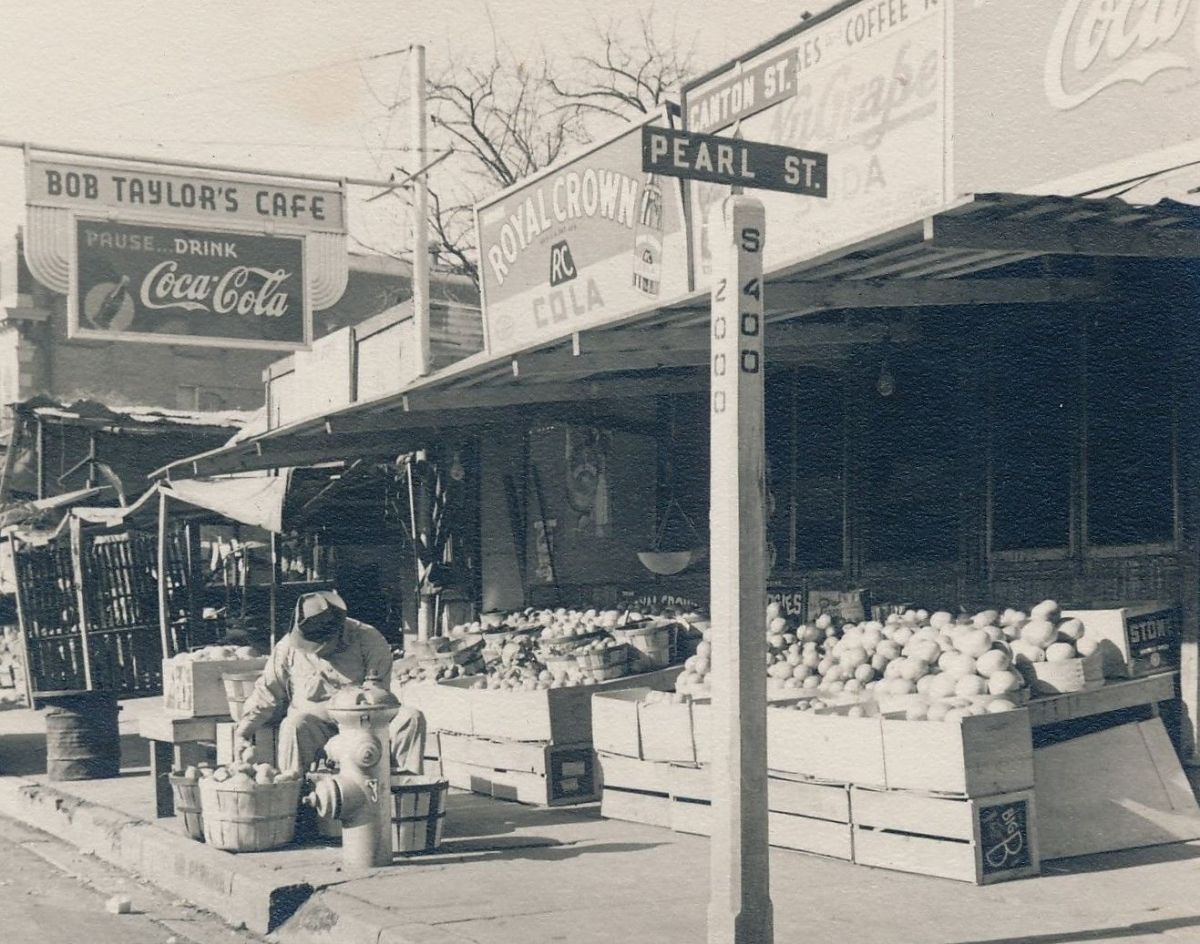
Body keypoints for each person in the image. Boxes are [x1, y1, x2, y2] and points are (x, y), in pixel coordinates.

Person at [234, 589, 425, 774]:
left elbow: (378, 700)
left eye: (319, 645)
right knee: (293, 724)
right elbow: (266, 692)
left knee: (411, 718)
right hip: (315, 729)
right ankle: (294, 795)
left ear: (338, 631)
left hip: (364, 727)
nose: (313, 651)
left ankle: (406, 794)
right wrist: (243, 733)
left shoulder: (369, 640)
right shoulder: (287, 648)